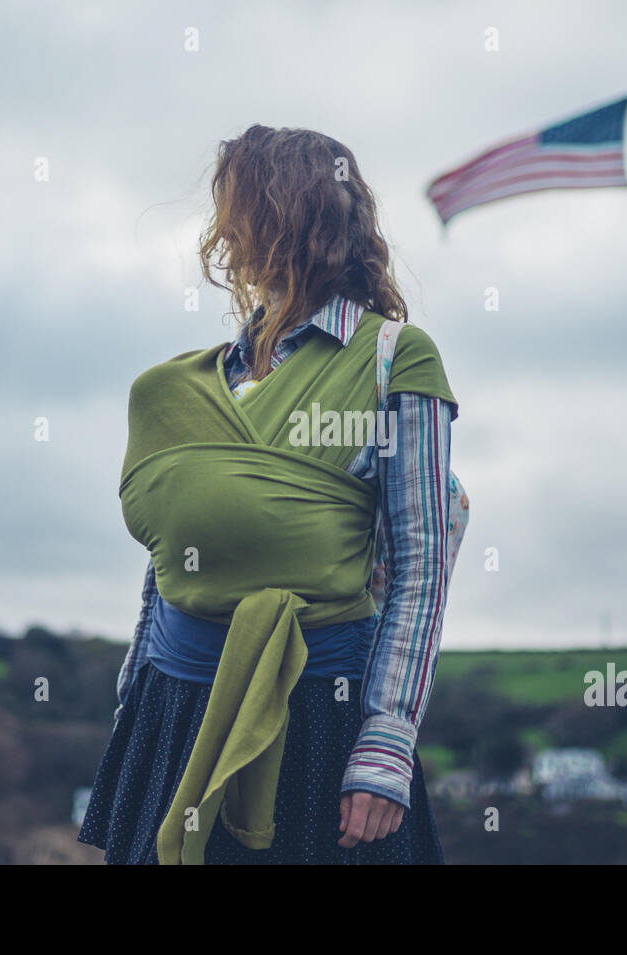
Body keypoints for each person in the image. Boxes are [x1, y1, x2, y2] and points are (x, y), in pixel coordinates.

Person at [77, 124, 458, 865]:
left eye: (237, 205)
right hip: (175, 703)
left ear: (287, 213)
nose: (223, 231)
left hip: (320, 712)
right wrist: (134, 700)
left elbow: (422, 565)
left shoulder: (392, 357)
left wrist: (386, 744)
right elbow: (170, 557)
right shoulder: (190, 383)